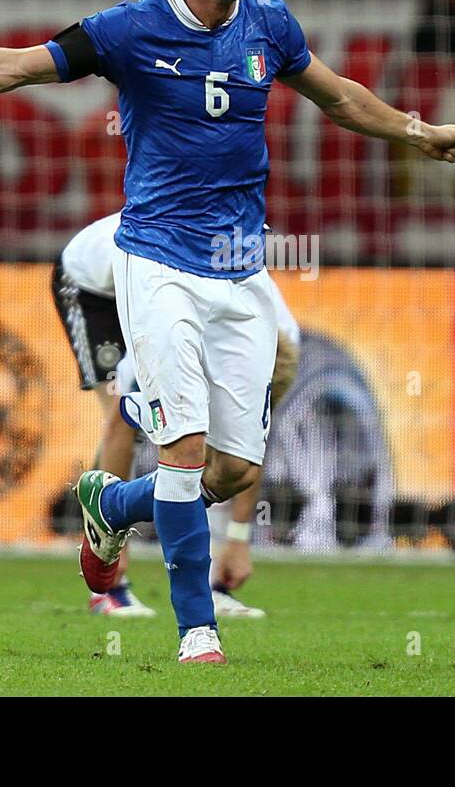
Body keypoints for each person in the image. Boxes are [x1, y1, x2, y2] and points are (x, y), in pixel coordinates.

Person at [0, 0, 455, 664]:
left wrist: (417, 130)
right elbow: (10, 67)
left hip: (240, 274)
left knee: (232, 468)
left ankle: (108, 503)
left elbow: (337, 98)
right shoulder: (129, 30)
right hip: (156, 264)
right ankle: (197, 630)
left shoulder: (270, 25)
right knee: (184, 449)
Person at [53, 210, 300, 618]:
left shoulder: (274, 326)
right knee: (122, 413)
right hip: (90, 285)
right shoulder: (172, 307)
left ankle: (211, 581)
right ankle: (109, 579)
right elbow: (121, 422)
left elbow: (253, 435)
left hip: (168, 268)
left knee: (231, 446)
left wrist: (238, 539)